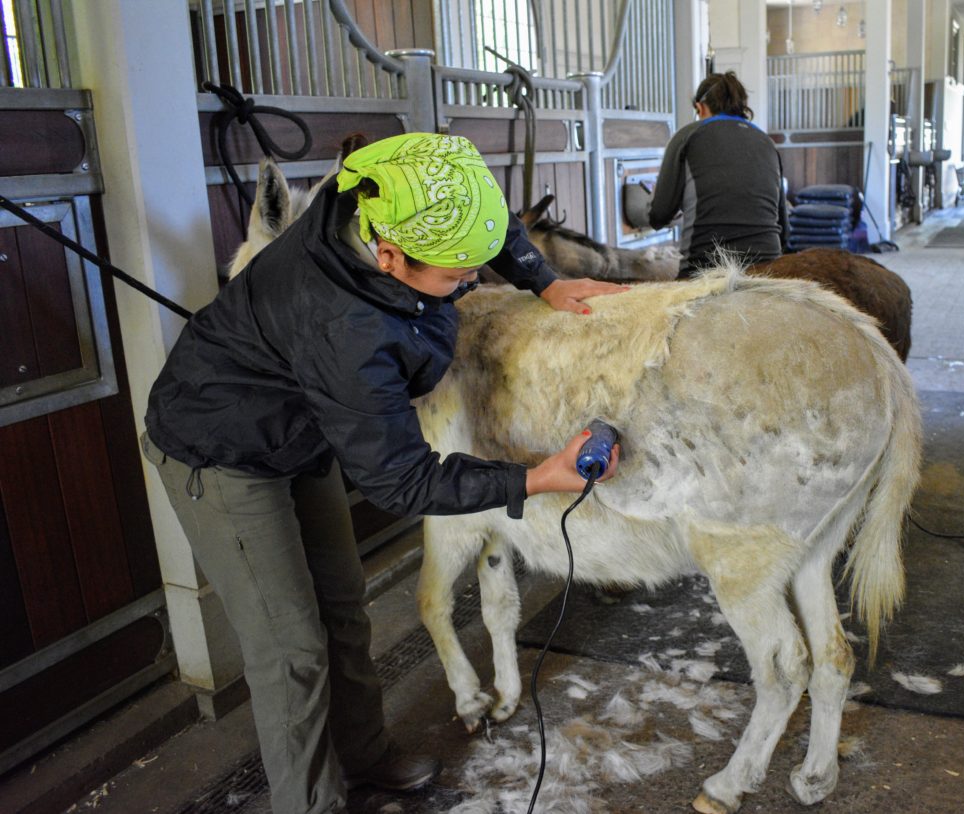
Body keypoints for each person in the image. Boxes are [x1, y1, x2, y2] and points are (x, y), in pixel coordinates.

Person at [140, 132, 624, 814]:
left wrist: (543, 279)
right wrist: (530, 480)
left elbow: (482, 216)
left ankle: (364, 760)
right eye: (456, 278)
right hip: (221, 450)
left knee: (343, 609)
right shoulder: (346, 327)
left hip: (298, 428)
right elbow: (401, 479)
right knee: (292, 650)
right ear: (391, 256)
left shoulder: (384, 192)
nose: (468, 285)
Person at [643, 71, 790, 275]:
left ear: (700, 107)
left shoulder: (687, 136)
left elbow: (658, 216)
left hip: (705, 272)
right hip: (767, 271)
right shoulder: (767, 143)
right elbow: (784, 229)